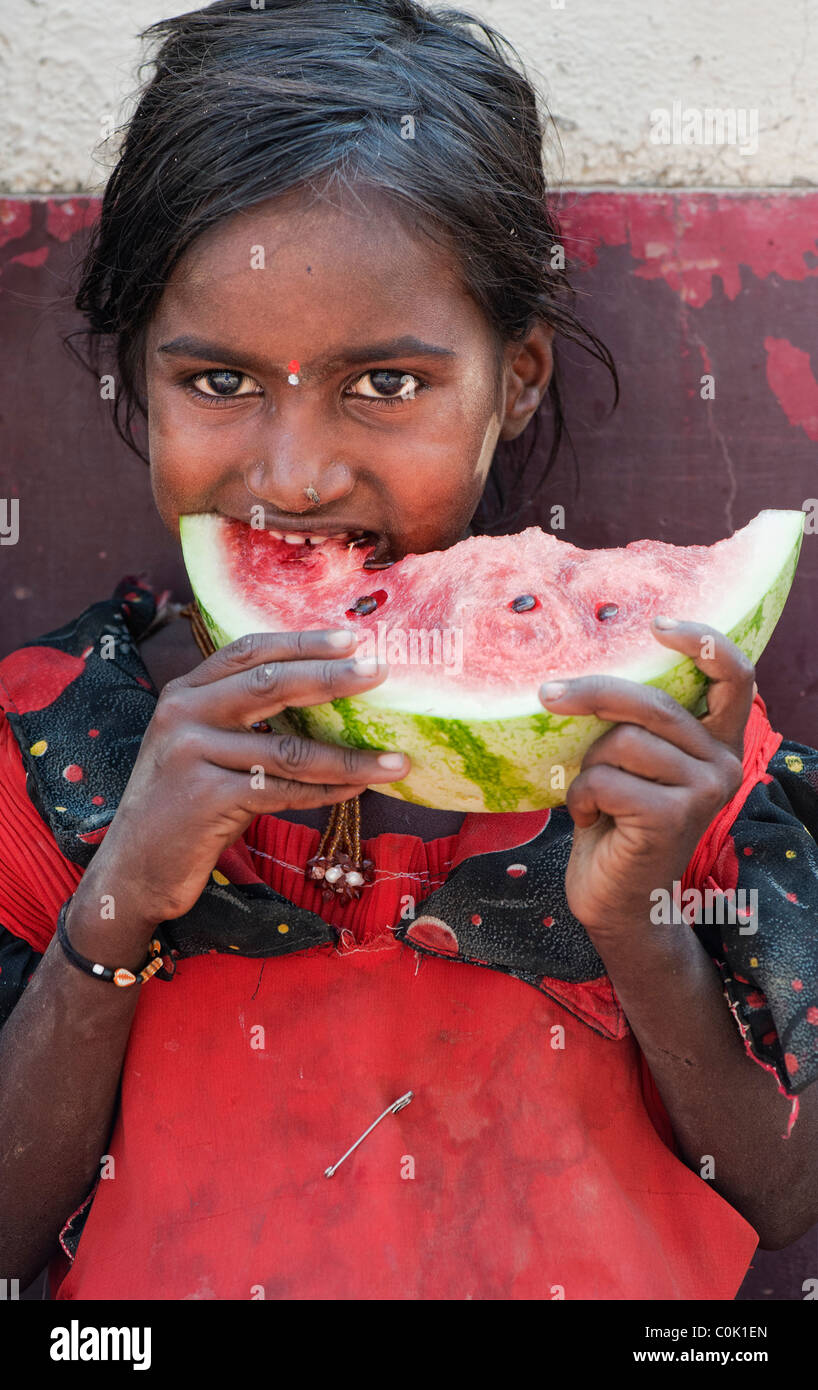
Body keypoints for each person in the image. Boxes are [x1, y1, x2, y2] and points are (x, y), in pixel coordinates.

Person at [1, 0, 817, 1301]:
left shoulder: (666, 730)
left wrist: (642, 918)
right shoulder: (48, 741)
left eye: (384, 383)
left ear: (518, 381)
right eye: (216, 382)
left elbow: (780, 1195)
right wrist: (122, 895)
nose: (295, 471)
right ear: (134, 380)